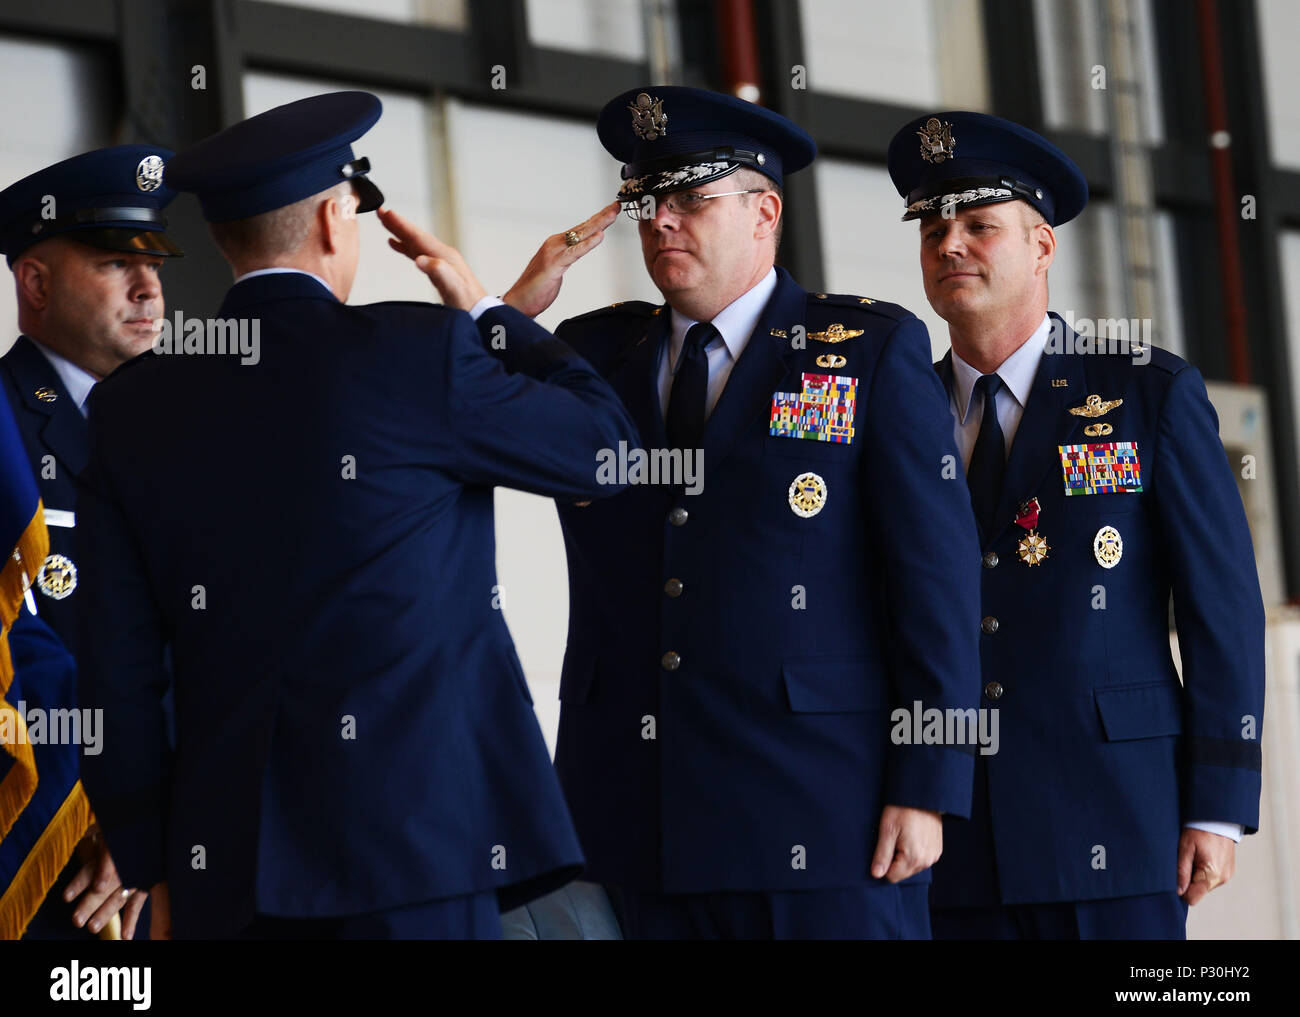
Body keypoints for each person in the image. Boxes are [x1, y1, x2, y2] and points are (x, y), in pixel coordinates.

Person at [75, 90, 639, 940]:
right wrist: (487, 311)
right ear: (339, 221)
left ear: (226, 240)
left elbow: (114, 665)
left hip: (226, 868)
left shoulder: (131, 409)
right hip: (419, 853)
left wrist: (157, 865)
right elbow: (611, 452)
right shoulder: (422, 354)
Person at [482, 86, 983, 939]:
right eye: (648, 203)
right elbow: (457, 424)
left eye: (691, 200)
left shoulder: (867, 349)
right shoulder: (596, 354)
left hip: (821, 812)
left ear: (764, 213)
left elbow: (935, 580)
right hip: (634, 820)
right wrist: (507, 315)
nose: (663, 223)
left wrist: (928, 783)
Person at [886, 110, 1265, 939]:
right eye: (934, 229)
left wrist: (1221, 805)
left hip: (1118, 819)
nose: (950, 245)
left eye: (980, 225)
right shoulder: (894, 410)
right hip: (947, 835)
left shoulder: (1146, 394)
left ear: (1043, 247)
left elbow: (1223, 612)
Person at [0, 145, 180, 939]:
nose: (149, 290)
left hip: (172, 857)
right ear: (34, 283)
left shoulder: (185, 431)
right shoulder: (2, 423)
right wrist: (115, 804)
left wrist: (160, 815)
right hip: (54, 851)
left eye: (154, 266)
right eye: (115, 264)